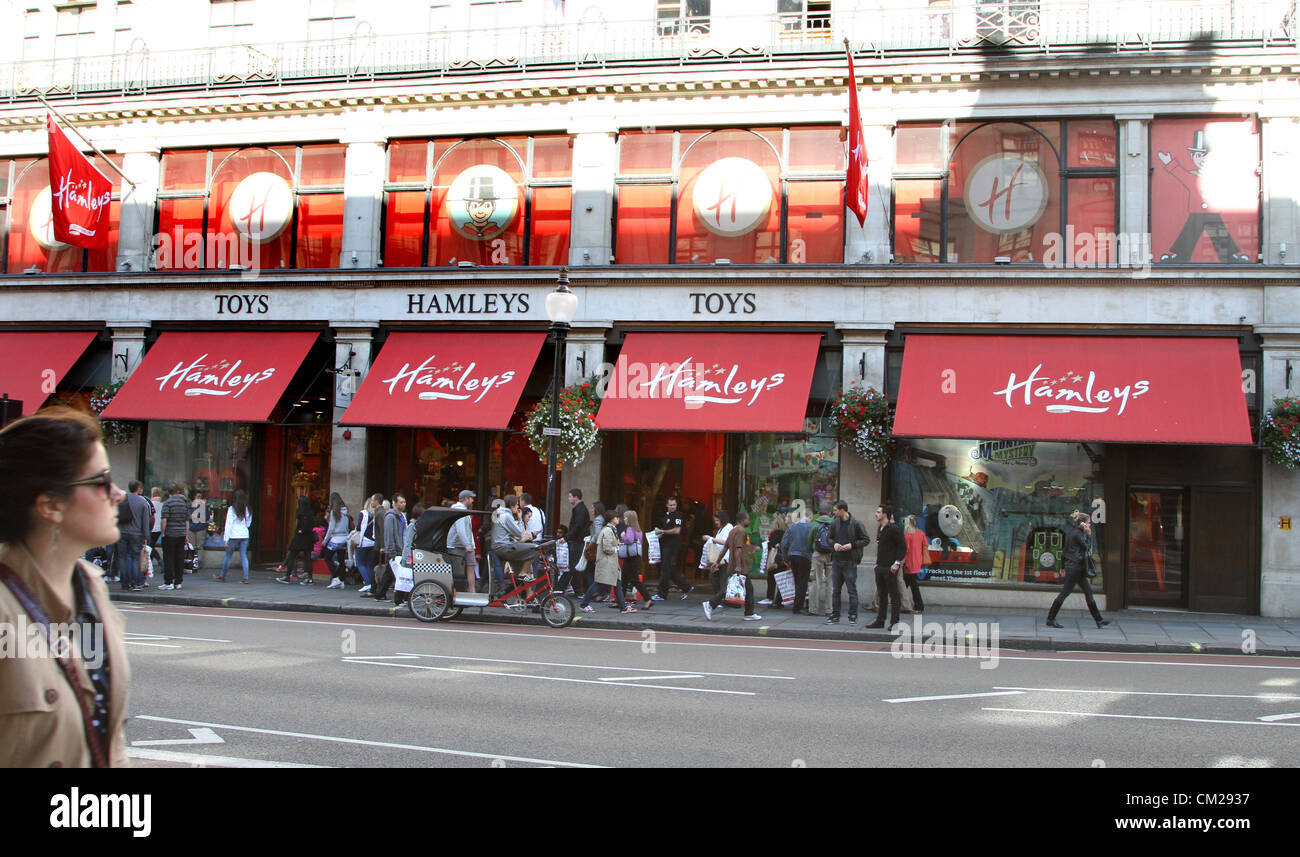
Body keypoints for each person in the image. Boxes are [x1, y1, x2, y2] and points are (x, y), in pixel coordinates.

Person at [0, 407, 132, 767]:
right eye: (102, 481)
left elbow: (104, 726)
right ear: (51, 505)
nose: (117, 493)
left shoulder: (91, 588)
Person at [1046, 511, 1111, 629]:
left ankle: (1099, 620)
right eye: (1089, 523)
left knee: (1088, 593)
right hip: (1075, 568)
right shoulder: (1078, 534)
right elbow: (1087, 547)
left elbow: (1064, 551)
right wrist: (1090, 534)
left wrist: (1062, 567)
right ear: (1083, 524)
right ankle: (1050, 619)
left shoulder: (1074, 532)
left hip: (1077, 568)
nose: (1090, 525)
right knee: (1064, 593)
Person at [703, 510, 760, 620]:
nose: (749, 521)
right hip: (740, 566)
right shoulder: (741, 531)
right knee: (732, 589)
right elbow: (738, 549)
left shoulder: (733, 530)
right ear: (743, 520)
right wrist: (738, 566)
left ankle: (749, 613)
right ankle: (711, 604)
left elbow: (725, 547)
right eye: (748, 519)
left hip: (735, 565)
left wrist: (716, 562)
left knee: (745, 589)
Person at [581, 507, 636, 614]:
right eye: (616, 517)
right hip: (606, 563)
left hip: (611, 564)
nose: (618, 519)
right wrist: (617, 548)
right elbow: (607, 548)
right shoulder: (607, 531)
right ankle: (584, 604)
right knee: (598, 584)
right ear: (612, 519)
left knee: (617, 584)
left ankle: (623, 606)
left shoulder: (610, 529)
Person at [825, 500, 870, 625]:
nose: (833, 512)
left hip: (850, 561)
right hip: (837, 560)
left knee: (851, 590)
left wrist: (852, 545)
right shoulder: (835, 523)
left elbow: (866, 540)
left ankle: (853, 615)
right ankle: (835, 615)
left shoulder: (856, 523)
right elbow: (829, 538)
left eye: (835, 510)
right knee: (836, 590)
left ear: (842, 510)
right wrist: (834, 544)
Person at [868, 504, 907, 629]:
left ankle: (894, 622)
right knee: (882, 594)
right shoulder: (881, 527)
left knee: (893, 595)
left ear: (885, 514)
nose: (876, 514)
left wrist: (897, 563)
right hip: (880, 566)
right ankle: (880, 620)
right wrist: (876, 564)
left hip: (890, 567)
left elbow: (903, 547)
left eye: (878, 512)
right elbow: (881, 547)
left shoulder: (894, 528)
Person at [492, 495, 539, 596]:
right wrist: (520, 519)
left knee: (520, 570)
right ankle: (523, 574)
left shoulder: (499, 513)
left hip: (501, 546)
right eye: (517, 505)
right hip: (505, 547)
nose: (518, 507)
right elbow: (519, 533)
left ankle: (505, 594)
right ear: (512, 505)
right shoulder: (506, 516)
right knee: (535, 548)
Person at [652, 495, 694, 601]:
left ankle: (662, 593)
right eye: (670, 505)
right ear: (667, 505)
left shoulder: (678, 515)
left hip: (672, 544)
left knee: (665, 568)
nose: (672, 507)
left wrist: (662, 531)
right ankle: (686, 587)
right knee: (667, 568)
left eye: (674, 505)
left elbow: (677, 530)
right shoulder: (667, 515)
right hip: (666, 543)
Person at [116, 480, 152, 592]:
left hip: (121, 532)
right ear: (138, 489)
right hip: (136, 533)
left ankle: (124, 583)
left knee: (122, 557)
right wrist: (146, 536)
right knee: (136, 557)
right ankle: (136, 582)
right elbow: (145, 521)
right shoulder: (142, 502)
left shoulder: (121, 499)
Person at [373, 492, 408, 602]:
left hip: (401, 549)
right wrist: (390, 550)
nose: (403, 504)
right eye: (401, 502)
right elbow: (389, 535)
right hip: (394, 550)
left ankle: (380, 593)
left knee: (390, 573)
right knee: (396, 574)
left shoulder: (402, 516)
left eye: (404, 502)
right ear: (394, 503)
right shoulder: (390, 517)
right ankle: (400, 597)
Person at [617, 507, 653, 609]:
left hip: (630, 558)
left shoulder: (629, 529)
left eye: (625, 518)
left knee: (634, 580)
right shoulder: (638, 529)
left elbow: (629, 540)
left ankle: (648, 599)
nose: (624, 520)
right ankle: (620, 601)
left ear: (629, 519)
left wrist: (622, 536)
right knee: (624, 579)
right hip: (634, 558)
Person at [277, 496, 316, 585]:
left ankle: (287, 576)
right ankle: (310, 578)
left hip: (300, 537)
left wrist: (300, 530)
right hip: (308, 538)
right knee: (308, 558)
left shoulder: (301, 513)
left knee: (292, 555)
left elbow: (304, 525)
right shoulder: (310, 513)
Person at [781, 508, 813, 614]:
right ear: (810, 517)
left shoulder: (793, 526)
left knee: (796, 580)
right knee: (803, 581)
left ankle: (797, 604)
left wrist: (785, 557)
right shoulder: (810, 526)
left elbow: (784, 543)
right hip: (805, 556)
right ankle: (798, 606)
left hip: (793, 555)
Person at [157, 483, 188, 591]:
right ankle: (178, 582)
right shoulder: (184, 503)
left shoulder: (167, 503)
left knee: (168, 558)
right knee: (179, 558)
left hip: (170, 534)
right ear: (178, 492)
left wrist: (162, 533)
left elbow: (164, 519)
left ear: (168, 492)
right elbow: (186, 520)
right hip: (181, 534)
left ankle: (168, 582)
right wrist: (186, 534)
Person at [216, 489, 252, 583]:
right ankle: (246, 577)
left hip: (233, 535)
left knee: (228, 555)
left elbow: (229, 524)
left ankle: (222, 576)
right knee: (243, 555)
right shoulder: (247, 508)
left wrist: (226, 539)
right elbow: (248, 523)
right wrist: (244, 527)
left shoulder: (232, 509)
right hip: (244, 534)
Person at [561, 488, 590, 595]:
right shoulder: (581, 509)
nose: (568, 498)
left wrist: (567, 537)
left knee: (571, 565)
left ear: (575, 497)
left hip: (577, 541)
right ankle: (577, 590)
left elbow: (577, 526)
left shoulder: (579, 509)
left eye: (570, 496)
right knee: (575, 566)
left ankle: (561, 587)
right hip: (577, 540)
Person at [808, 506, 835, 616]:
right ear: (829, 513)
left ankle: (813, 609)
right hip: (831, 555)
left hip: (817, 554)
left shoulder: (814, 524)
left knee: (815, 581)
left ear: (818, 513)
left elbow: (809, 541)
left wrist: (813, 551)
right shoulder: (834, 524)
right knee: (830, 583)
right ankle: (829, 609)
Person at [449, 489, 477, 593]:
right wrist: (468, 545)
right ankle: (461, 591)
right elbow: (460, 530)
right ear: (466, 499)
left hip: (465, 545)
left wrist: (470, 545)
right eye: (471, 498)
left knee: (470, 567)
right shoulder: (459, 511)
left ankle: (471, 591)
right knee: (459, 570)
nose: (473, 500)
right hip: (458, 545)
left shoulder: (464, 511)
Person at [321, 492, 351, 589]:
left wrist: (325, 540)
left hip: (336, 538)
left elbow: (331, 528)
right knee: (341, 559)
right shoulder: (345, 511)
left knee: (327, 557)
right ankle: (341, 580)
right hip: (344, 537)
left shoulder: (334, 512)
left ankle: (335, 577)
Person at [355, 493, 382, 596]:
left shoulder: (363, 513)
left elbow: (358, 528)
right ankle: (371, 583)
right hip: (373, 541)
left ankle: (367, 583)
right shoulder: (376, 514)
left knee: (360, 563)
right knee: (370, 565)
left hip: (364, 541)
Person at [760, 511, 788, 608]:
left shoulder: (774, 533)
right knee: (781, 580)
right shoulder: (785, 533)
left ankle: (770, 597)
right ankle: (779, 599)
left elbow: (770, 545)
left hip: (774, 560)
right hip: (782, 560)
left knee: (771, 579)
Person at [902, 514, 927, 613]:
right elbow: (926, 544)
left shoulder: (907, 534)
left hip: (909, 562)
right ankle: (909, 604)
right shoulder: (921, 533)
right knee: (908, 583)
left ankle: (917, 605)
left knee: (908, 584)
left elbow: (906, 549)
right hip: (918, 561)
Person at [187, 488, 209, 553]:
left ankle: (199, 562)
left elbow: (206, 518)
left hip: (201, 529)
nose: (200, 498)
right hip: (191, 529)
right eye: (198, 496)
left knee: (200, 547)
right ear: (194, 497)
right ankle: (192, 562)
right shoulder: (189, 506)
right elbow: (185, 516)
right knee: (191, 547)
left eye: (200, 497)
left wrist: (193, 517)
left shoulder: (204, 506)